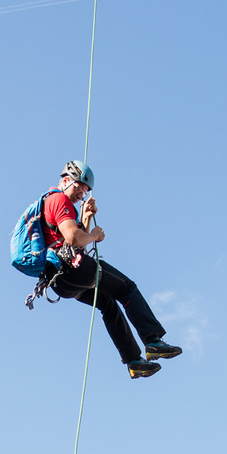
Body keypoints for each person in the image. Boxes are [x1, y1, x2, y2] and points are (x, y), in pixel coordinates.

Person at [38, 162, 180, 381]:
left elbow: (74, 243)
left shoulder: (48, 204)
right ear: (65, 181)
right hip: (73, 270)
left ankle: (134, 361)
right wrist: (94, 234)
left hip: (58, 282)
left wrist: (84, 218)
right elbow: (74, 239)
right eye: (79, 187)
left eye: (85, 190)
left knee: (107, 303)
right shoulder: (59, 199)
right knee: (127, 288)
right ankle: (152, 340)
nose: (81, 193)